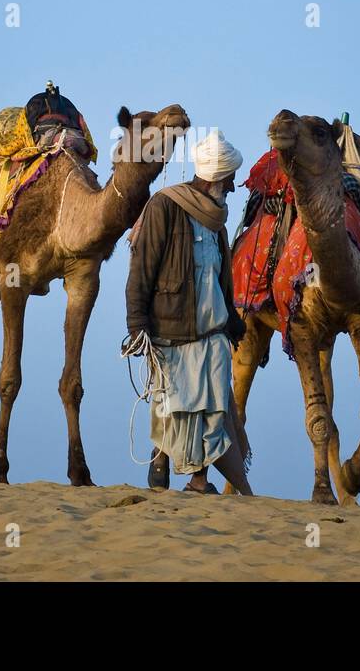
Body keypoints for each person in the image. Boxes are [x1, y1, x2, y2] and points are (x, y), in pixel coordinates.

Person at [124, 130, 254, 495]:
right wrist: (137, 325)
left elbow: (217, 278)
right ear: (216, 174)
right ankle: (163, 460)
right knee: (174, 409)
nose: (233, 185)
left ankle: (199, 481)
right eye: (229, 177)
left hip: (212, 336)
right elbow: (142, 270)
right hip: (173, 333)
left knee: (211, 411)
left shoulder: (217, 220)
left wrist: (232, 319)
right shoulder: (165, 206)